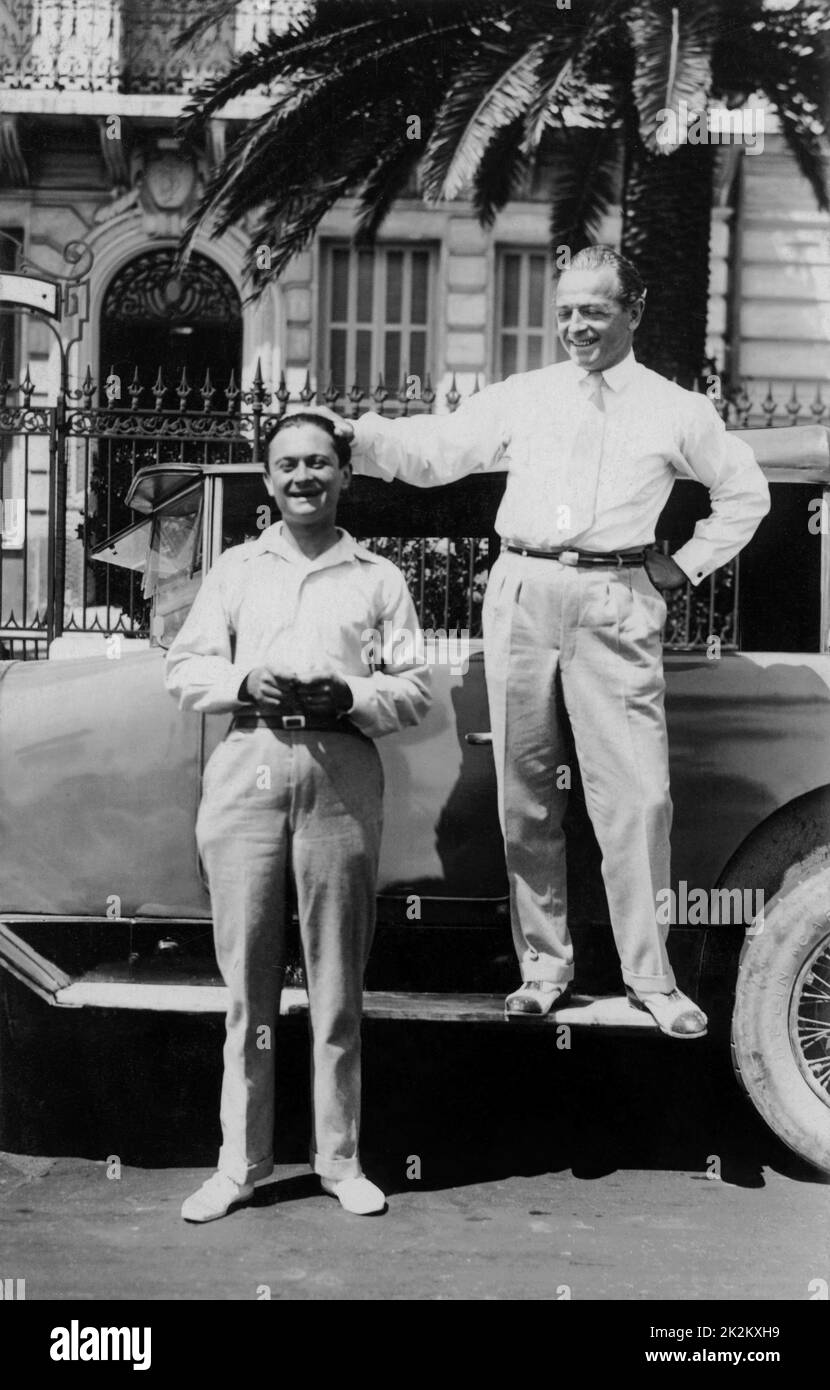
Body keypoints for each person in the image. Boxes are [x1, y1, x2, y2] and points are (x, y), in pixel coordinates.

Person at [321, 245, 770, 1039]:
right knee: (526, 790)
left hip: (615, 599)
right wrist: (357, 435)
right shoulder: (524, 397)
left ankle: (651, 978)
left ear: (634, 310)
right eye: (564, 310)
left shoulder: (676, 409)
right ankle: (543, 967)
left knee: (638, 796)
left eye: (594, 310)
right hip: (523, 590)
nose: (575, 325)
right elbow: (436, 453)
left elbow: (746, 494)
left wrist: (683, 567)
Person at [165, 410, 431, 1222]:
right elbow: (184, 666)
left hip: (340, 770)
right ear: (269, 478)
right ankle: (239, 1164)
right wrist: (246, 684)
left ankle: (339, 1159)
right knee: (246, 983)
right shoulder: (237, 569)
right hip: (247, 764)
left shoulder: (377, 576)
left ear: (344, 475)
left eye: (320, 464)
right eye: (288, 466)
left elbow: (416, 687)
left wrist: (350, 693)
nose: (304, 478)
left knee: (337, 979)